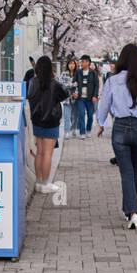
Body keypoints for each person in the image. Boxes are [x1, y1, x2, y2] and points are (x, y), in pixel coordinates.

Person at [95, 44, 137, 230]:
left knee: (126, 171)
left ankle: (132, 211)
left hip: (120, 127)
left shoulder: (113, 81)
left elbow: (104, 104)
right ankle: (128, 209)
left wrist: (101, 124)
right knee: (133, 169)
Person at [28, 56, 67, 195]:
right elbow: (65, 94)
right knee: (48, 154)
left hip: (37, 121)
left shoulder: (33, 82)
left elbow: (30, 97)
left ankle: (38, 182)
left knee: (40, 152)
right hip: (51, 121)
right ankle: (46, 183)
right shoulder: (54, 83)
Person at [74, 55, 100, 138]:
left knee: (90, 116)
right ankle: (82, 132)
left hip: (90, 98)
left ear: (88, 62)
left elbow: (96, 85)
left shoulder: (93, 73)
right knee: (81, 114)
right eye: (82, 61)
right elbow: (74, 83)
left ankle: (88, 129)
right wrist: (75, 92)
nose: (82, 63)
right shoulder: (78, 72)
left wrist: (95, 96)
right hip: (81, 98)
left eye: (84, 61)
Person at [61, 58, 79, 139]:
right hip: (67, 98)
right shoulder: (64, 74)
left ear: (75, 65)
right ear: (68, 65)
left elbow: (80, 85)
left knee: (75, 116)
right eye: (70, 64)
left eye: (73, 64)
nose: (72, 65)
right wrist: (72, 85)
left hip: (76, 98)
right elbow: (62, 84)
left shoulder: (78, 74)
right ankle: (67, 132)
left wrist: (77, 93)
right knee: (67, 116)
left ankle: (74, 129)